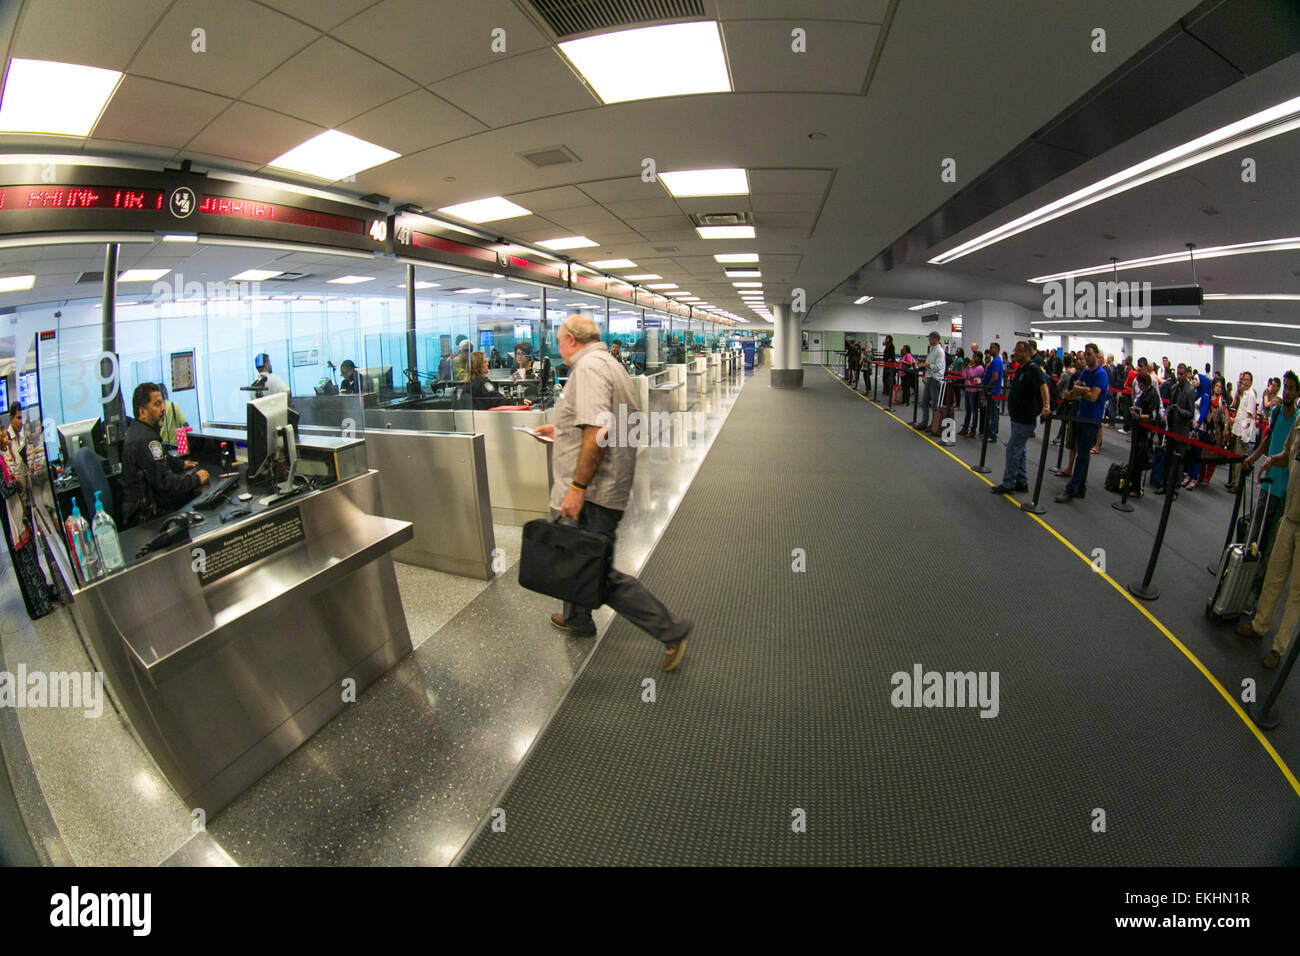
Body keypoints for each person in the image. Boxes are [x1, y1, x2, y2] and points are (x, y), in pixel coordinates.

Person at [527, 316, 691, 671]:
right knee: (576, 554)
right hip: (606, 484)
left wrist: (577, 487)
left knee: (594, 568)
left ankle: (670, 629)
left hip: (594, 491)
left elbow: (600, 431)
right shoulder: (609, 364)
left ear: (570, 339)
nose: (558, 347)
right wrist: (562, 429)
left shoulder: (587, 369)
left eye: (559, 340)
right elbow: (604, 423)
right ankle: (577, 619)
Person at [1236, 391, 1300, 669]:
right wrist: (1272, 460)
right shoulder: (1299, 423)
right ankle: (1260, 624)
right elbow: (1289, 454)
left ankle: (1279, 647)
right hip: (1290, 515)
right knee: (1274, 575)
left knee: (1297, 591)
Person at [1239, 371, 1299, 606]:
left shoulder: (1298, 419)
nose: (1287, 391)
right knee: (1255, 534)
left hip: (1285, 490)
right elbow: (1267, 441)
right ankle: (1245, 578)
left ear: (1298, 393)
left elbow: (1289, 456)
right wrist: (1252, 458)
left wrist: (1271, 460)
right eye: (1285, 386)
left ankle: (1257, 588)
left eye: (1291, 388)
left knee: (1272, 543)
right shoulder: (1275, 413)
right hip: (1267, 483)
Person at [120, 383, 210, 529]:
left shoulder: (139, 431)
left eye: (162, 403)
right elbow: (166, 483)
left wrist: (181, 464)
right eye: (157, 405)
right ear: (142, 412)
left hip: (140, 510)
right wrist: (196, 479)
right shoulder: (146, 440)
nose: (163, 409)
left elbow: (159, 460)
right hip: (146, 518)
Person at [0, 424, 56, 619]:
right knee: (27, 563)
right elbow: (4, 489)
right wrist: (14, 483)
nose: (3, 433)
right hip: (13, 518)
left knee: (31, 559)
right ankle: (41, 606)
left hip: (19, 511)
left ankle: (44, 599)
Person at [990, 340, 1051, 495]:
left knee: (1012, 449)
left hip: (1026, 418)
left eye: (1018, 351)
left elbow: (1044, 387)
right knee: (1020, 450)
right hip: (1017, 417)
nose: (1015, 353)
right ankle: (1021, 481)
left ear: (1027, 353)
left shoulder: (1034, 369)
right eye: (1015, 350)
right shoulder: (1021, 369)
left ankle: (1008, 483)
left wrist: (1046, 406)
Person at [1055, 342, 1108, 504]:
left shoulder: (1101, 374)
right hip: (1081, 415)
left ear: (1097, 356)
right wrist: (1080, 391)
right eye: (1085, 354)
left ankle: (1071, 489)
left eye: (1089, 354)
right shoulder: (1086, 371)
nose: (1086, 356)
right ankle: (1081, 488)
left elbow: (1093, 397)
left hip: (1092, 419)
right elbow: (1077, 389)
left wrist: (1084, 390)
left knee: (1082, 455)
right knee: (1081, 454)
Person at [1128, 369, 1162, 495]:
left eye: (1140, 384)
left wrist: (1139, 416)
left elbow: (1153, 416)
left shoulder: (1152, 395)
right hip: (1138, 429)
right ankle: (1132, 484)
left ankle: (1138, 488)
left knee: (1141, 459)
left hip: (1145, 431)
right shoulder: (1144, 393)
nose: (1139, 387)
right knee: (1135, 457)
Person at [1227, 372, 1258, 492]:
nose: (1245, 382)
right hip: (1237, 430)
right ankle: (1234, 481)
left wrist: (1244, 434)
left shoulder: (1250, 395)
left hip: (1243, 434)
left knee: (1240, 461)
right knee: (1235, 459)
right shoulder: (1244, 394)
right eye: (1244, 380)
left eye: (1247, 380)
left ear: (1251, 382)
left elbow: (1249, 416)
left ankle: (1237, 485)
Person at [913, 331, 946, 431]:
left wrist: (925, 365)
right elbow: (929, 363)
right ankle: (924, 422)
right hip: (930, 378)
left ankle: (934, 424)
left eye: (930, 338)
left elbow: (938, 367)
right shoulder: (932, 350)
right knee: (924, 402)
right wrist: (925, 375)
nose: (929, 340)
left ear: (935, 339)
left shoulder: (939, 351)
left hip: (936, 379)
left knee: (935, 404)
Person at [983, 343, 1004, 444]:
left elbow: (995, 377)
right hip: (993, 390)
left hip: (993, 391)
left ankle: (992, 434)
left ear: (996, 349)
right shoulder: (996, 360)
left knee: (993, 414)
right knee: (993, 413)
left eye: (991, 348)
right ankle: (992, 432)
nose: (989, 350)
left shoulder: (996, 361)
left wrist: (988, 387)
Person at [960, 349, 984, 437]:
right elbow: (963, 375)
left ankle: (973, 429)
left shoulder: (980, 368)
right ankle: (965, 428)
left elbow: (971, 376)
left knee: (974, 410)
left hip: (974, 391)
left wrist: (969, 369)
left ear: (980, 358)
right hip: (967, 389)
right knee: (968, 410)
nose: (973, 359)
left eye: (975, 357)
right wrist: (968, 368)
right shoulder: (971, 367)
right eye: (973, 357)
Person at [882, 335, 897, 399]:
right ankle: (885, 390)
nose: (885, 339)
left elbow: (892, 356)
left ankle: (889, 391)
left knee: (889, 378)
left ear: (890, 339)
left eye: (887, 338)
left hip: (890, 364)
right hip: (886, 364)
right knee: (885, 378)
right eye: (885, 338)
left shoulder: (892, 346)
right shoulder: (886, 346)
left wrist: (890, 359)